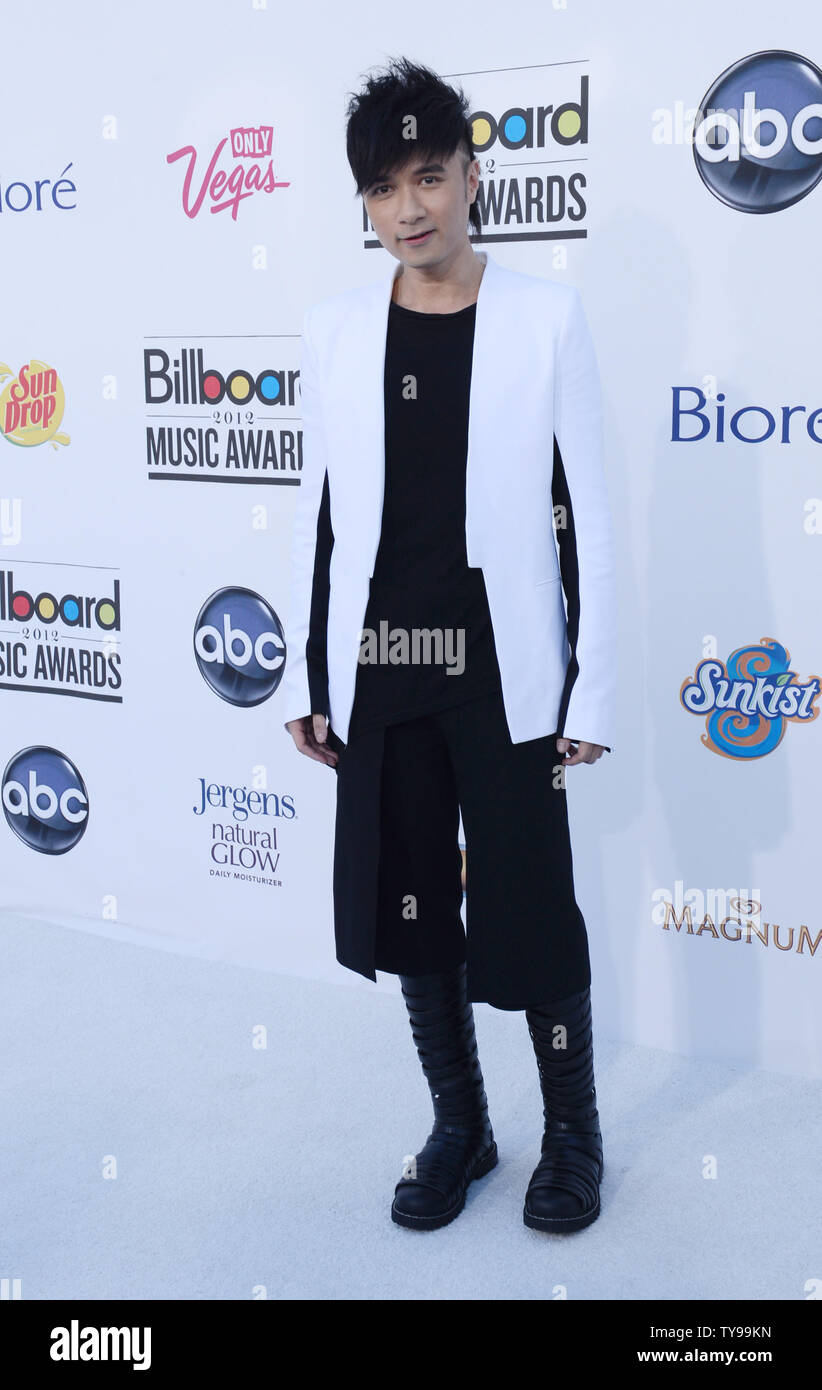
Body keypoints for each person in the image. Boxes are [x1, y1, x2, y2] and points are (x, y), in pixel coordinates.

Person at [282, 57, 618, 1233]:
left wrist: (597, 686)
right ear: (364, 205)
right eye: (385, 188)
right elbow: (319, 513)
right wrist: (311, 676)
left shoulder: (546, 316)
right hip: (385, 664)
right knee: (414, 900)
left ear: (473, 176)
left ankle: (573, 1134)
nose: (411, 207)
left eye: (430, 176)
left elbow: (596, 516)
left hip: (506, 663)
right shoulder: (333, 329)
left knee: (531, 908)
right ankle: (461, 1124)